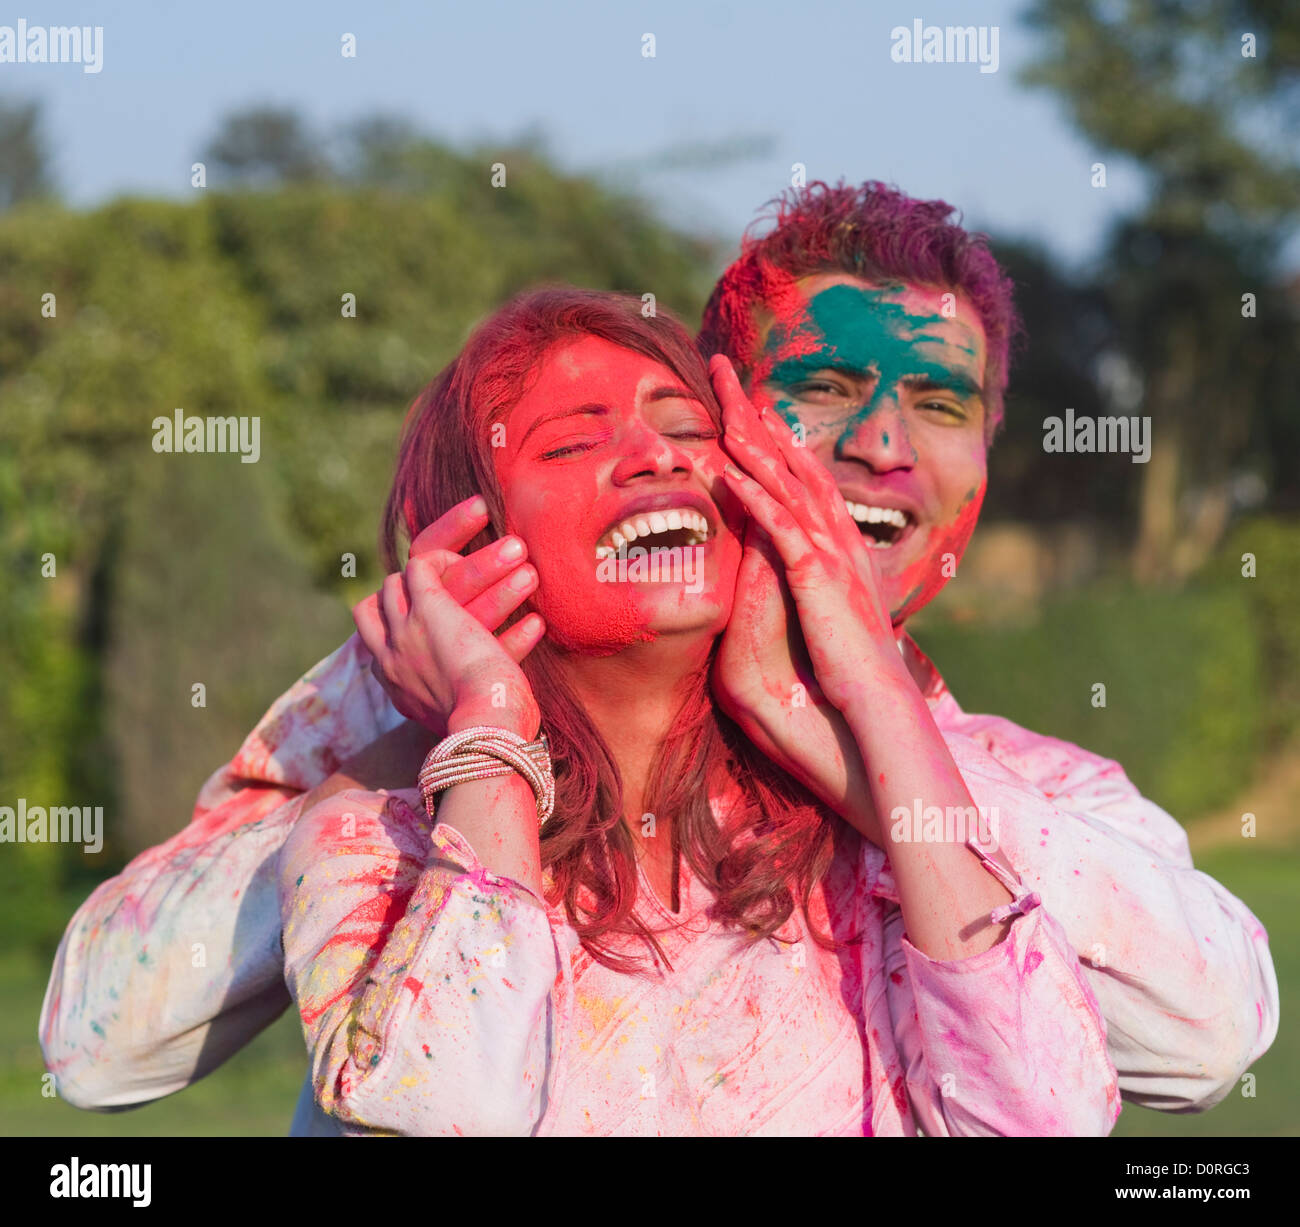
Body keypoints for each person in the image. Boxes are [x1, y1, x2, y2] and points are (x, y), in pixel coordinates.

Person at [40, 183, 1277, 1129]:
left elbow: (1205, 1034)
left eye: (942, 404)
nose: (887, 442)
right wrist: (440, 678)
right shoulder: (392, 795)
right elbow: (98, 1040)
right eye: (831, 385)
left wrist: (851, 734)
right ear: (724, 407)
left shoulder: (1040, 789)